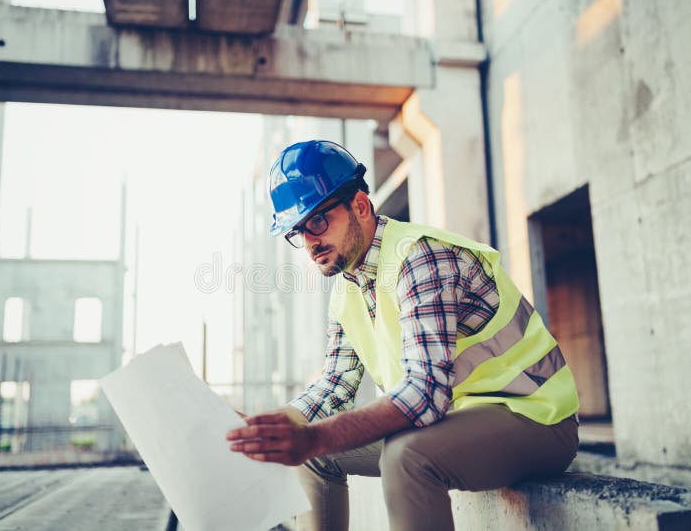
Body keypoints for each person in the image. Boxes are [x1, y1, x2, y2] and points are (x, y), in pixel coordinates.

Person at [226, 140, 580, 531]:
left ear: (360, 206)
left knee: (404, 455)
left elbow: (424, 394)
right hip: (454, 421)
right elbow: (334, 386)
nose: (310, 242)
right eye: (298, 231)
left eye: (318, 222)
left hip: (534, 418)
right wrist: (268, 428)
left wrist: (314, 437)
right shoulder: (347, 286)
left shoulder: (422, 257)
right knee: (314, 456)